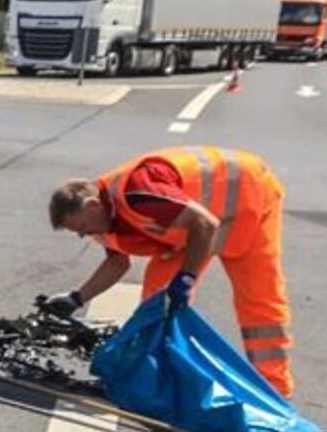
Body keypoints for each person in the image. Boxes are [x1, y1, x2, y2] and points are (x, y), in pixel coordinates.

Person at [45, 146, 293, 396]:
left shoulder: (139, 191)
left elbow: (205, 223)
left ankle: (274, 387)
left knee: (258, 298)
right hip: (192, 232)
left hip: (246, 196)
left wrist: (187, 277)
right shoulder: (103, 220)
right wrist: (76, 298)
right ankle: (160, 375)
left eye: (82, 227)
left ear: (92, 205)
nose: (84, 235)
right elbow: (118, 263)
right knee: (157, 299)